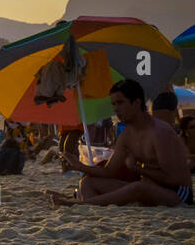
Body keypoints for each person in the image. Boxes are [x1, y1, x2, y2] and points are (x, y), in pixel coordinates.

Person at [48, 79, 192, 207]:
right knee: (87, 182)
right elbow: (109, 171)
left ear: (136, 103)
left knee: (138, 188)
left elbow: (174, 179)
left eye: (120, 103)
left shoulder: (160, 132)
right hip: (147, 188)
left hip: (177, 194)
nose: (116, 109)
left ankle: (80, 204)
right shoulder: (127, 135)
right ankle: (92, 213)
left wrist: (138, 169)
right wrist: (80, 166)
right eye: (114, 104)